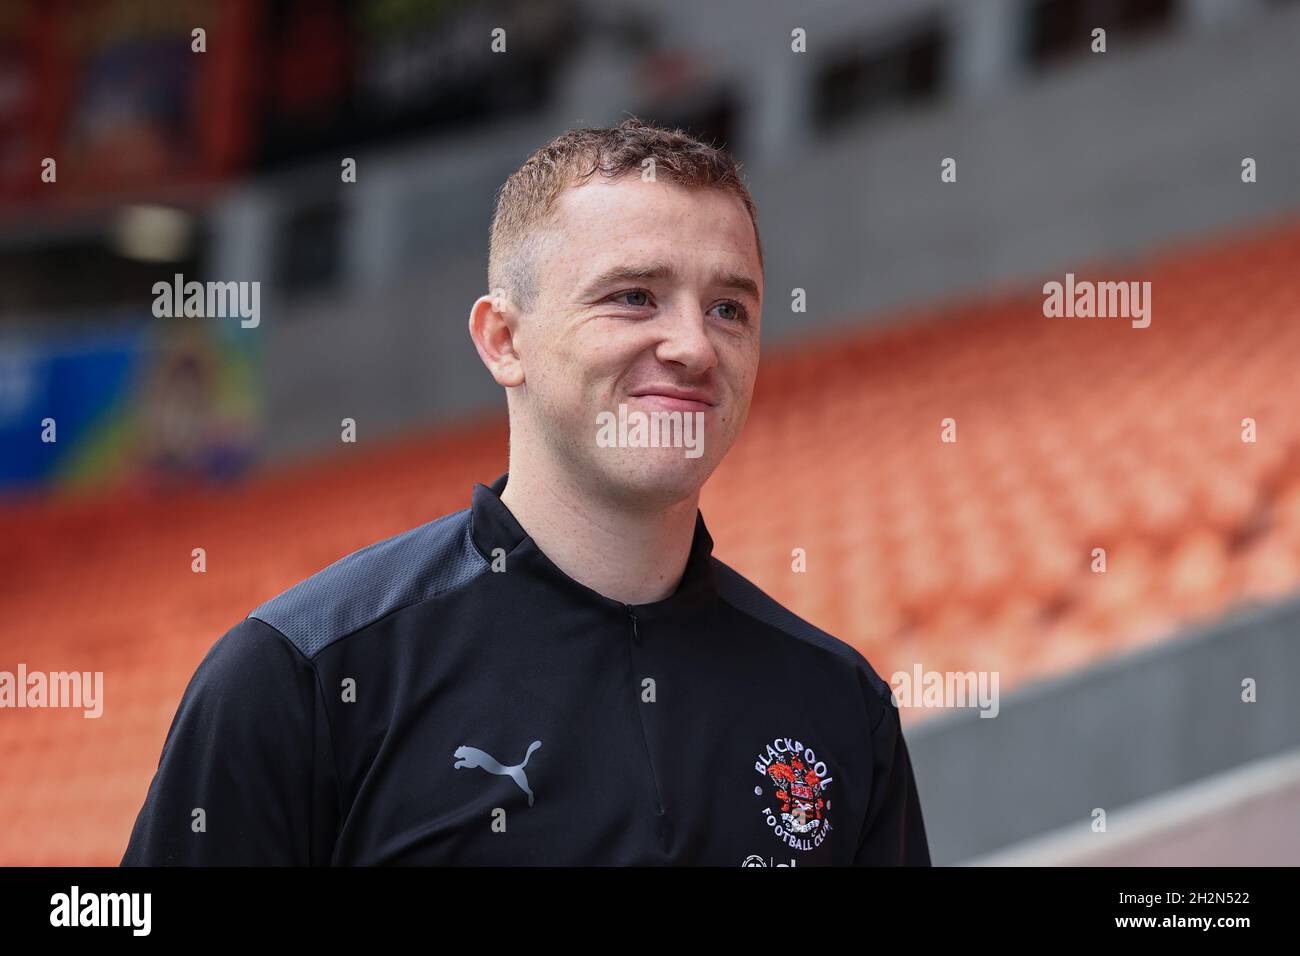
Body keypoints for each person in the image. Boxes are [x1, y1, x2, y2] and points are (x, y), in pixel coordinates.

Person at [121, 118, 931, 866]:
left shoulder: (839, 706)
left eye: (729, 309)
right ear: (504, 340)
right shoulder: (302, 675)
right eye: (633, 296)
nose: (693, 346)